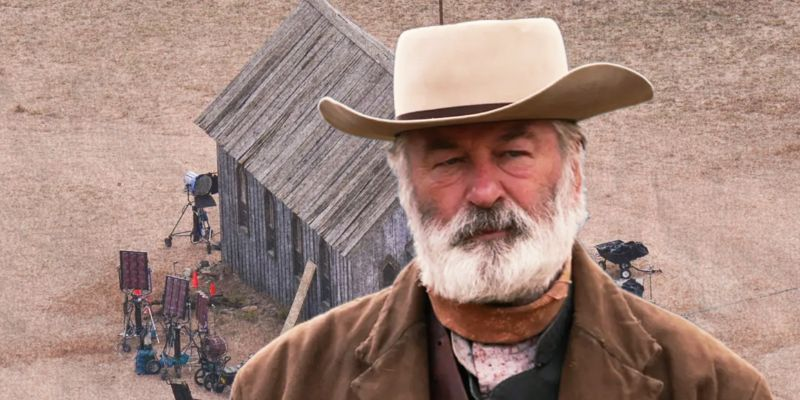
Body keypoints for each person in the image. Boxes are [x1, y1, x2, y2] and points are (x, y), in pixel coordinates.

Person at [231, 18, 772, 400]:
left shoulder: (708, 387)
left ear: (574, 171)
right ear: (405, 187)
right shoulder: (285, 384)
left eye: (513, 154)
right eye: (448, 161)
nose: (485, 191)